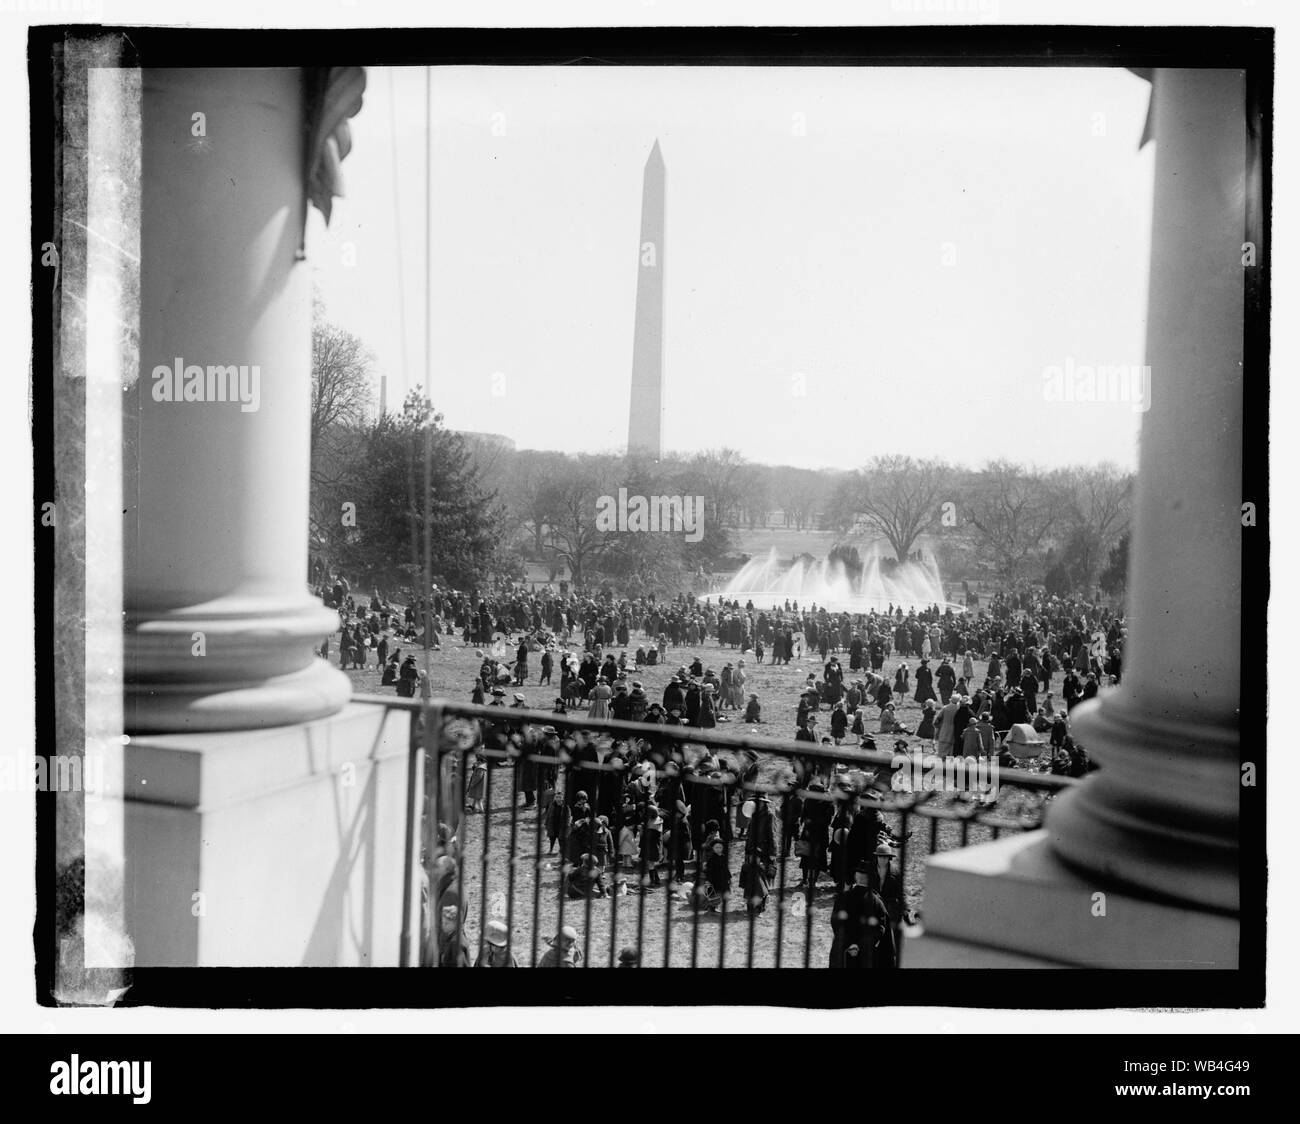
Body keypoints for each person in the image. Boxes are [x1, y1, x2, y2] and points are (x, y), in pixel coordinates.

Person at [828, 857, 896, 969]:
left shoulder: (842, 898)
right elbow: (880, 929)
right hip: (866, 954)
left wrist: (850, 943)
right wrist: (860, 945)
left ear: (855, 877)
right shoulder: (877, 902)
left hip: (843, 952)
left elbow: (835, 922)